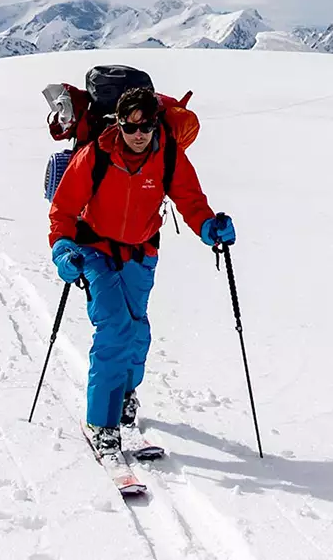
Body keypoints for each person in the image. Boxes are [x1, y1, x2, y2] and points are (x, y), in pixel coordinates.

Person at [48, 86, 235, 457]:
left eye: (146, 126)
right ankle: (102, 423)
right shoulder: (96, 154)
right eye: (130, 127)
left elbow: (191, 200)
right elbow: (64, 208)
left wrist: (210, 228)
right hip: (95, 249)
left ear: (154, 125)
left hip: (142, 251)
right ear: (118, 124)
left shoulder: (168, 156)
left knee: (137, 331)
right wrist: (62, 248)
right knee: (115, 328)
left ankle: (124, 397)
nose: (138, 134)